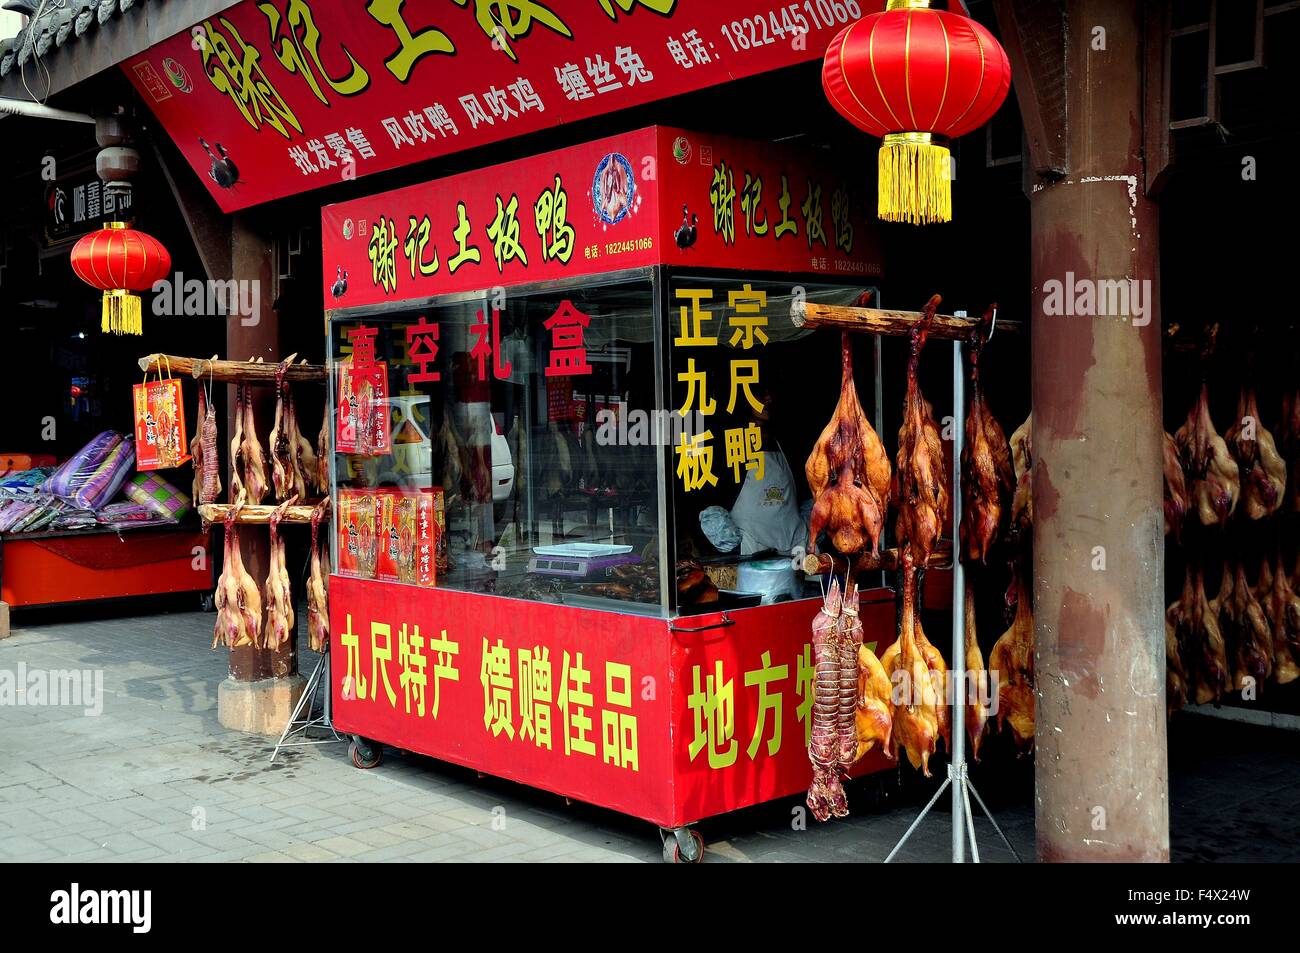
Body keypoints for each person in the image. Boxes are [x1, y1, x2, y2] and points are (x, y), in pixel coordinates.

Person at [699, 385, 807, 557]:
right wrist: (730, 542)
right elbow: (710, 502)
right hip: (752, 552)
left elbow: (804, 497)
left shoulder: (786, 444)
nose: (768, 399)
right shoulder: (731, 448)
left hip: (797, 549)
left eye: (769, 394)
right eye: (759, 393)